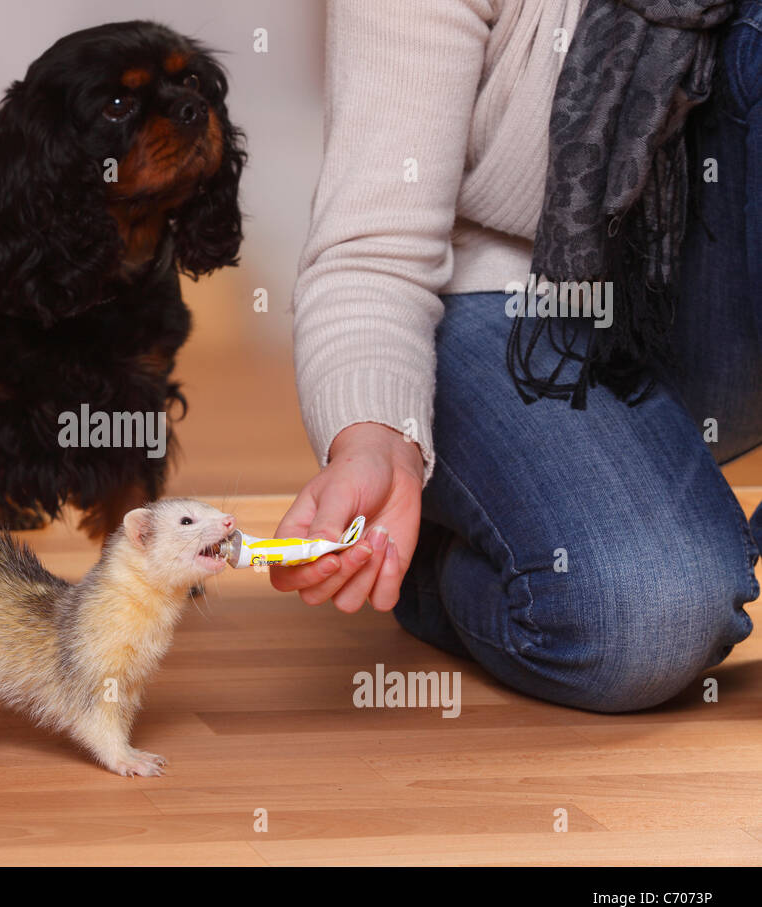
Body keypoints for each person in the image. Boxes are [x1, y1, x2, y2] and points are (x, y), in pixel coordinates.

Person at [274, 0, 762, 712]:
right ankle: (462, 554)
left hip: (718, 308)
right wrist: (379, 439)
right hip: (512, 298)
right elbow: (373, 251)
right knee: (644, 617)